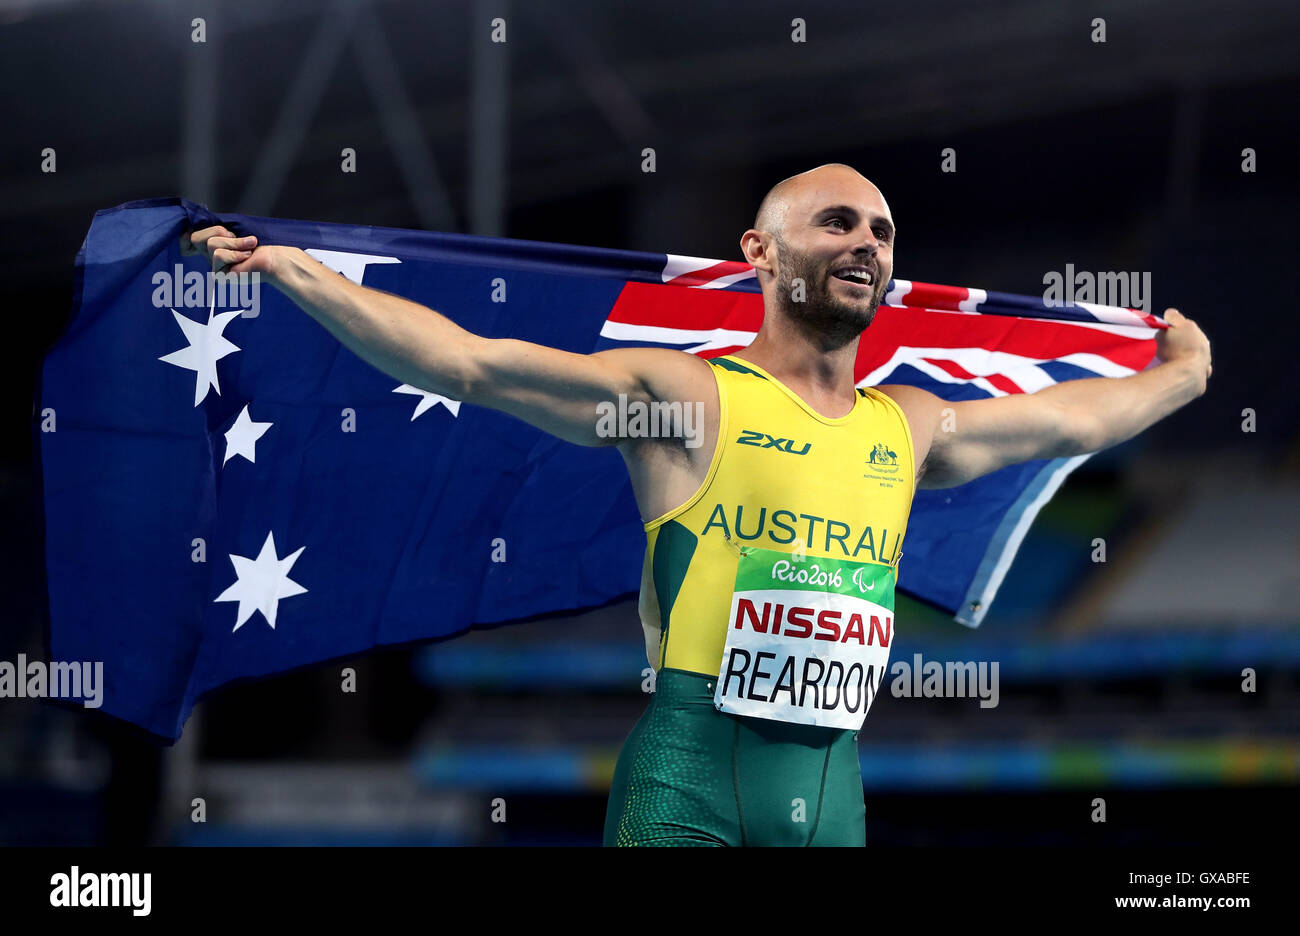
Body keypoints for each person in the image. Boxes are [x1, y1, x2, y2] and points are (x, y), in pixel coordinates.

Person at [184, 163, 1212, 846]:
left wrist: (1179, 377)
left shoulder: (908, 424)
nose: (865, 242)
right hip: (690, 779)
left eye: (883, 231)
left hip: (833, 793)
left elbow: (1070, 421)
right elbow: (471, 363)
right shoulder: (685, 399)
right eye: (836, 221)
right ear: (758, 254)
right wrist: (295, 273)